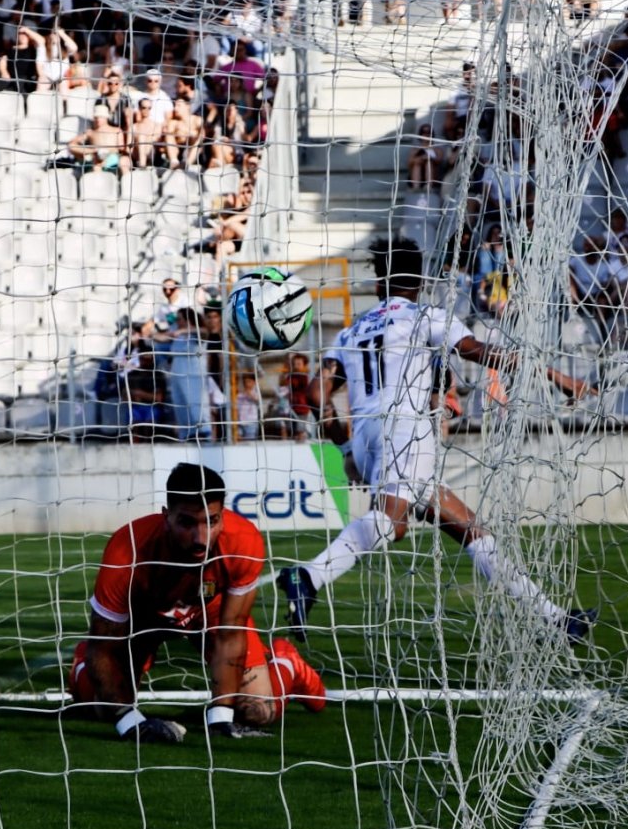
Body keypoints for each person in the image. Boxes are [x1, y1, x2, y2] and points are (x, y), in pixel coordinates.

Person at [277, 238, 595, 643]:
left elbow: (317, 395)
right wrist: (560, 378)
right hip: (406, 429)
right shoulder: (425, 315)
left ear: (379, 284)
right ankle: (308, 576)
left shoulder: (352, 330)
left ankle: (554, 620)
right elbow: (478, 351)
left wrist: (345, 451)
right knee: (393, 524)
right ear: (420, 282)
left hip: (369, 434)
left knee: (472, 531)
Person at [68, 463, 326, 742]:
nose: (200, 538)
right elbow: (103, 648)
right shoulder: (126, 550)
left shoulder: (243, 542)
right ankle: (80, 668)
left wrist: (221, 716)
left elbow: (231, 632)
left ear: (223, 517)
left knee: (258, 711)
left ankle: (286, 661)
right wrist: (131, 723)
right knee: (104, 707)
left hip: (211, 611)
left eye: (211, 522)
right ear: (166, 516)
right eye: (187, 523)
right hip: (142, 617)